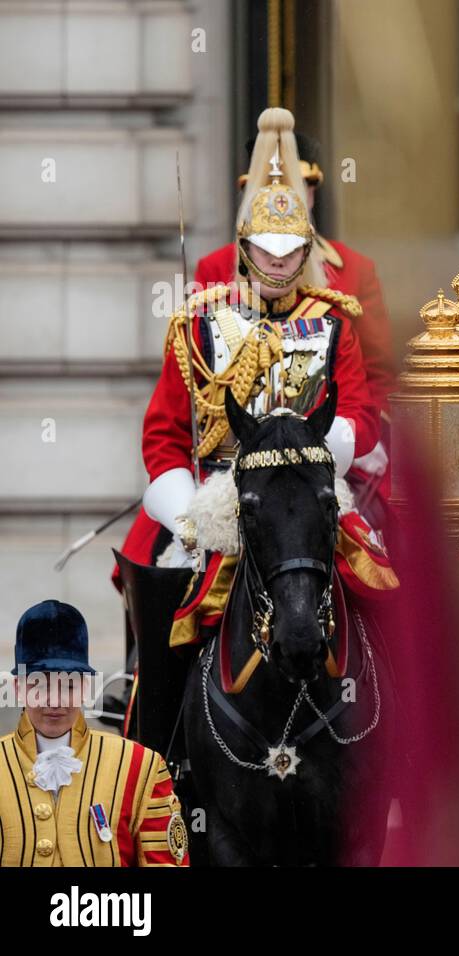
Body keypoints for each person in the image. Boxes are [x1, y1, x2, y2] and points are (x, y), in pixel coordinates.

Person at [116, 107, 396, 638]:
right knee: (163, 597)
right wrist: (185, 511)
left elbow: (360, 407)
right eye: (265, 252)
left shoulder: (334, 320)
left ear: (306, 252)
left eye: (290, 253)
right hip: (222, 489)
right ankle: (150, 714)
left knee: (379, 586)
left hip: (310, 482)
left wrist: (328, 445)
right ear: (244, 251)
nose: (278, 264)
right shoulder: (198, 322)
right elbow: (165, 432)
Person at [193, 129, 395, 491]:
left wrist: (355, 441)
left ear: (312, 192)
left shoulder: (352, 275)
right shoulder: (214, 272)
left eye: (297, 188)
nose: (282, 200)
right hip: (226, 466)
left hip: (326, 454)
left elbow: (376, 375)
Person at [0, 601, 188, 866]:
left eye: (67, 686)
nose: (54, 701)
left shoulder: (141, 767)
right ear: (18, 687)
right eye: (39, 685)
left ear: (85, 687)